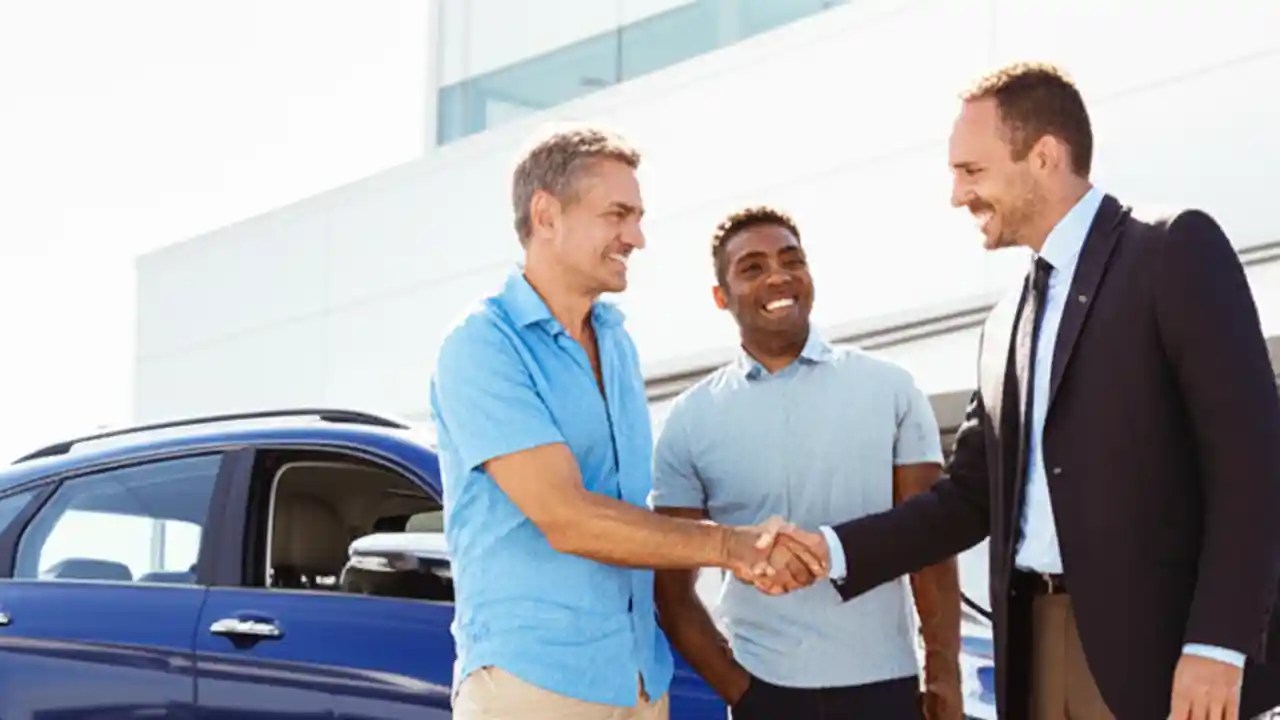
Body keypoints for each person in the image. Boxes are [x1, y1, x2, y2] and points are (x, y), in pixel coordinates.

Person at [779, 62, 1280, 719]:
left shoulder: (1172, 249)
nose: (958, 195)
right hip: (1034, 643)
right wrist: (832, 550)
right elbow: (967, 498)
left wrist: (1220, 643)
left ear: (1044, 156)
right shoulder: (1005, 317)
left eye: (972, 171)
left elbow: (1254, 461)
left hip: (1163, 653)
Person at [429, 125, 824, 720]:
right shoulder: (483, 346)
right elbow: (568, 518)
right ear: (546, 215)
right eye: (618, 215)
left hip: (637, 679)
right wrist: (730, 547)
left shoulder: (614, 342)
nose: (635, 237)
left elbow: (632, 509)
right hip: (536, 685)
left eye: (638, 217)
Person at [650, 205, 964, 720]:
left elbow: (930, 546)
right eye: (752, 267)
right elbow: (672, 589)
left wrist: (943, 675)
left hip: (888, 689)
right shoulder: (689, 420)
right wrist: (739, 690)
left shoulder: (890, 388)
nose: (778, 276)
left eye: (791, 260)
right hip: (765, 689)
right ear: (720, 296)